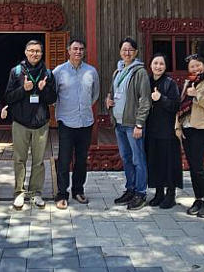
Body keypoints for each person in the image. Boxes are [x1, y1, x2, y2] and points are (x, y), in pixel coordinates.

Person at [5, 40, 58, 209]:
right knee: (19, 159)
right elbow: (8, 97)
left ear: (42, 53)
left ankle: (36, 192)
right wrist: (24, 89)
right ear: (26, 52)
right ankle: (19, 192)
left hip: (40, 123)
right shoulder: (16, 71)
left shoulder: (47, 73)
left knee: (38, 160)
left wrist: (44, 89)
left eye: (38, 51)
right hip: (20, 122)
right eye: (31, 50)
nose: (35, 54)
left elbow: (53, 99)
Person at [53, 38, 100, 210]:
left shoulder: (91, 71)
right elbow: (52, 96)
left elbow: (95, 94)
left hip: (85, 121)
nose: (78, 51)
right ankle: (62, 193)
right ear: (68, 51)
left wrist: (83, 107)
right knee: (64, 160)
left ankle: (78, 190)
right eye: (75, 48)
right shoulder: (58, 71)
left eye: (81, 49)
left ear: (84, 51)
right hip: (66, 121)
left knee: (81, 159)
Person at [106, 37, 151, 210]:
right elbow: (112, 93)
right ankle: (130, 189)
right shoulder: (117, 72)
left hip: (133, 124)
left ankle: (141, 192)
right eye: (124, 49)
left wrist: (139, 124)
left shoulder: (140, 72)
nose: (127, 52)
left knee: (138, 159)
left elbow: (145, 100)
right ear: (120, 52)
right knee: (126, 158)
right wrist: (108, 100)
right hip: (119, 123)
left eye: (130, 50)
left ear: (136, 52)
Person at [180, 53, 204, 218]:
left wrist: (197, 95)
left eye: (198, 65)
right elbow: (181, 104)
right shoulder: (188, 83)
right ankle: (198, 199)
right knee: (192, 166)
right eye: (192, 66)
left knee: (198, 167)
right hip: (186, 127)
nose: (195, 68)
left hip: (201, 128)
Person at [145, 53, 183, 209]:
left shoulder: (170, 83)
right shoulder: (146, 81)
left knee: (169, 163)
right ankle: (159, 193)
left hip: (167, 130)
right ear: (150, 65)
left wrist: (161, 98)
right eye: (155, 63)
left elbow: (176, 105)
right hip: (151, 129)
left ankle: (171, 194)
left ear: (166, 66)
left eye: (161, 64)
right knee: (155, 161)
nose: (158, 66)